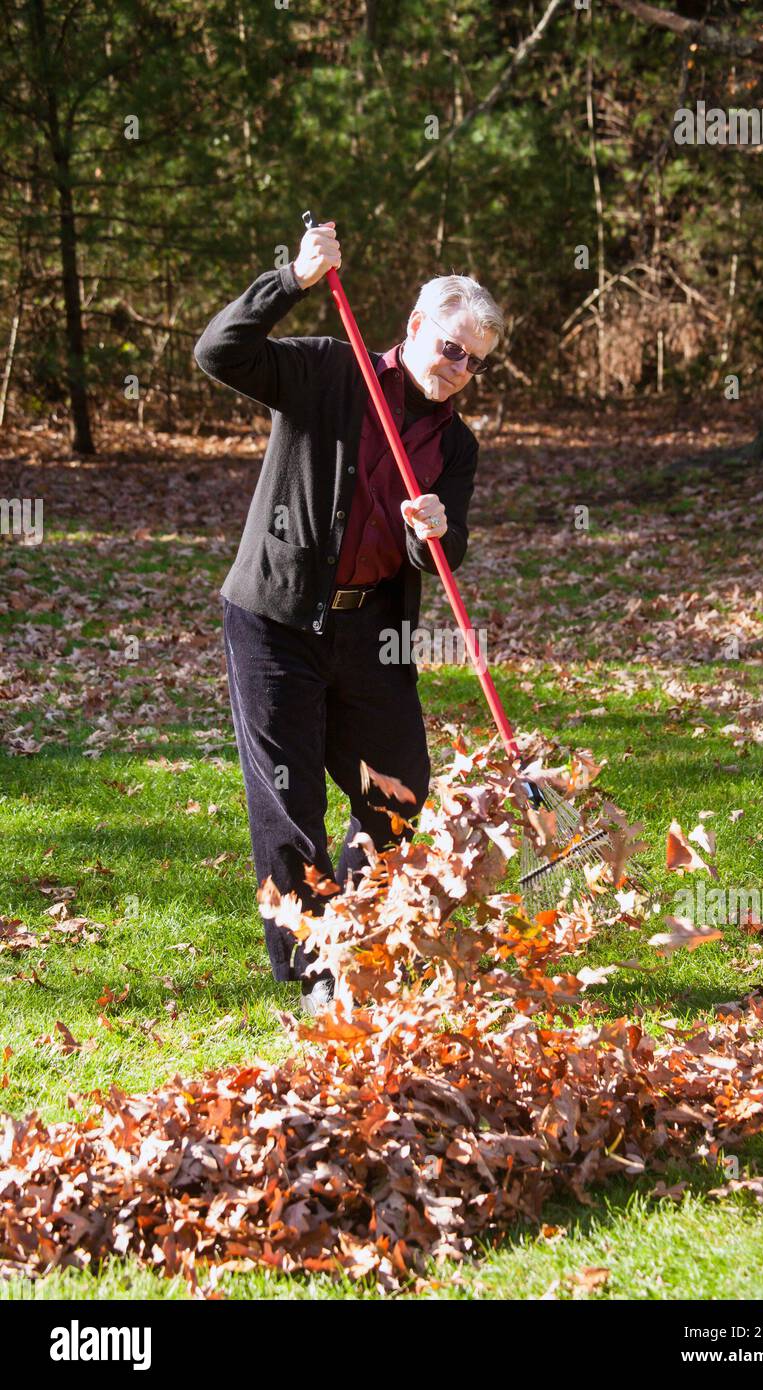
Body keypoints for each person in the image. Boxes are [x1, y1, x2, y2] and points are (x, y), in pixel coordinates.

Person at [193, 221, 505, 1014]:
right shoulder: (332, 372)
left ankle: (363, 934)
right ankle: (315, 968)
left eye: (475, 362)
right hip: (276, 619)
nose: (459, 370)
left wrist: (433, 528)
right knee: (290, 800)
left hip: (373, 629)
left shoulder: (455, 446)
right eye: (450, 349)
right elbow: (218, 353)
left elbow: (445, 550)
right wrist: (290, 280)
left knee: (398, 786)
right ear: (414, 328)